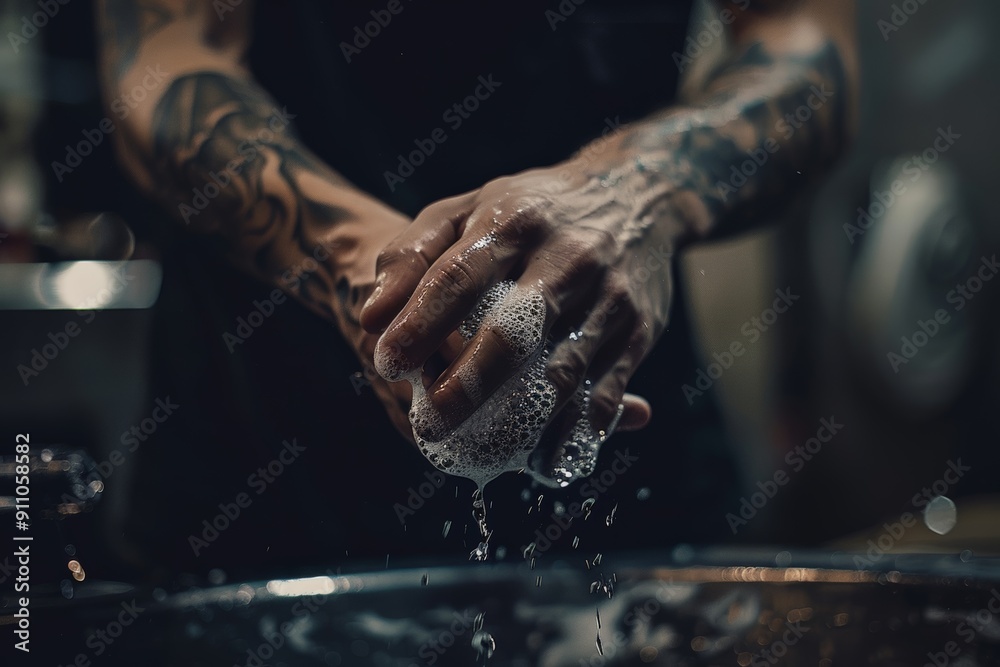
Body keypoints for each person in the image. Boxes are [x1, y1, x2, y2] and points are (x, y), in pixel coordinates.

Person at [93, 0, 856, 577]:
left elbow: (806, 49)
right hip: (255, 470)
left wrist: (639, 189)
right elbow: (162, 61)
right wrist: (374, 271)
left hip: (618, 441)